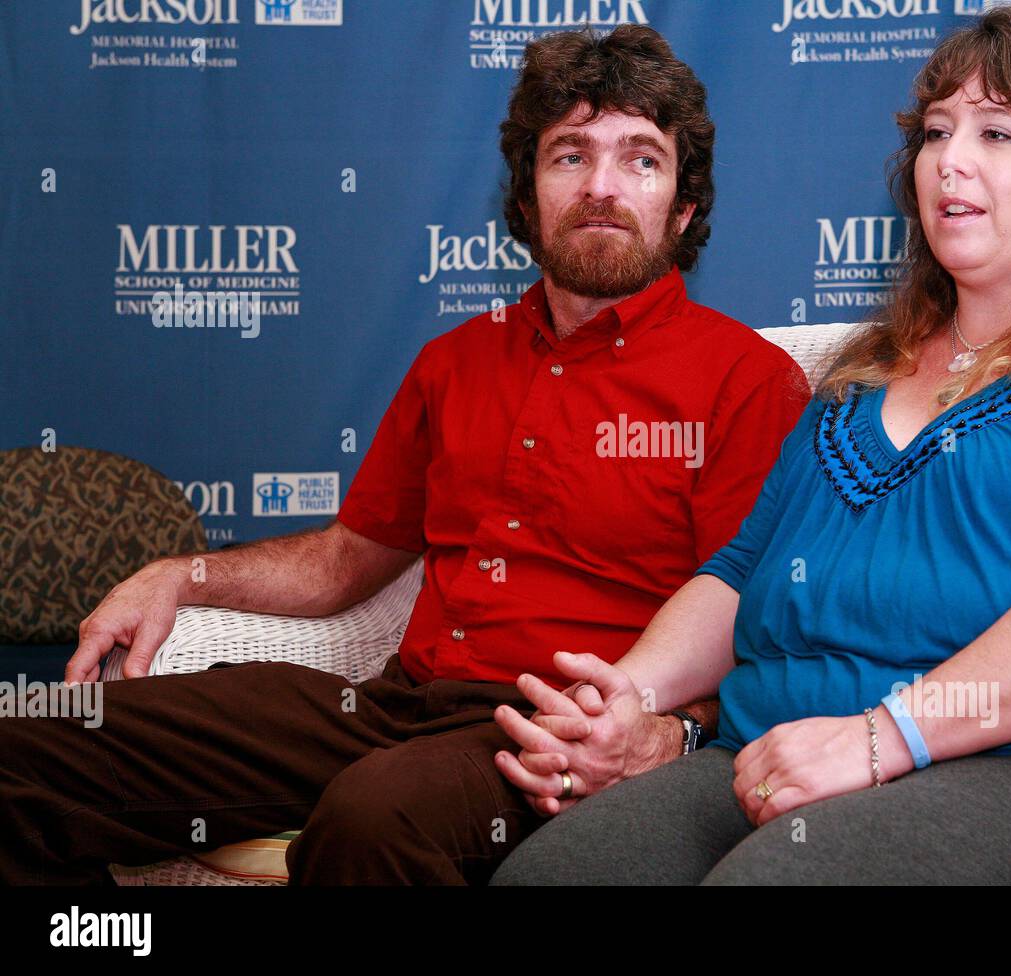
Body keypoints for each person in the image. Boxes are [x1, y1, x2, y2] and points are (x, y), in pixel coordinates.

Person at [0, 25, 809, 885]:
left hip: (547, 734)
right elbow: (346, 561)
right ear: (528, 201)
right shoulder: (455, 360)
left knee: (371, 819)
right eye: (570, 154)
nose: (602, 187)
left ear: (683, 207)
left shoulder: (748, 382)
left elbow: (759, 626)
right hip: (388, 706)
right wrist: (184, 576)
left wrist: (671, 732)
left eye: (640, 159)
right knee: (31, 748)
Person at [489, 6, 1011, 885]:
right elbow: (743, 571)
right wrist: (626, 698)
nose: (952, 159)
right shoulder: (860, 376)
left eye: (998, 133)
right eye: (937, 132)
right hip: (779, 749)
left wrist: (883, 735)